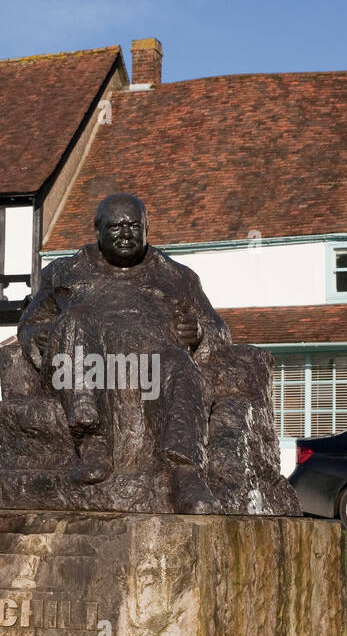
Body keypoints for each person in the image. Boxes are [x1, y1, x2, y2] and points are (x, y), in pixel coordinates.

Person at [15, 193, 227, 507]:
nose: (126, 234)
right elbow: (29, 324)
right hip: (86, 363)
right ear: (97, 230)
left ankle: (184, 475)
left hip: (153, 365)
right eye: (115, 226)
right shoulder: (64, 272)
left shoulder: (177, 276)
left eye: (133, 226)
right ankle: (93, 442)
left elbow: (218, 330)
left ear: (147, 229)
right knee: (74, 320)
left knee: (179, 363)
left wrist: (198, 332)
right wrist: (40, 335)